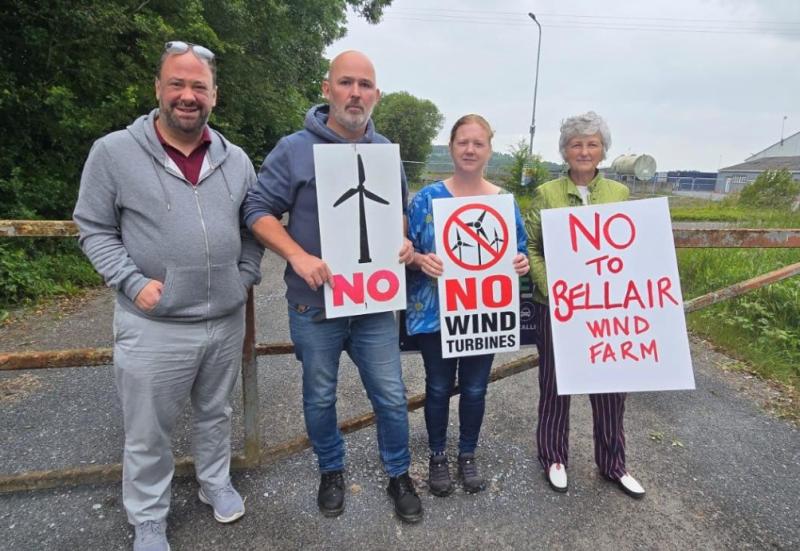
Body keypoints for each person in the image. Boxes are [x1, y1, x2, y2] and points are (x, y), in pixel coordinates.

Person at [73, 41, 264, 551]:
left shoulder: (237, 159)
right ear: (158, 89)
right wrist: (133, 283)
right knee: (147, 429)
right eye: (177, 84)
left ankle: (214, 482)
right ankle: (149, 516)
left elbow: (253, 226)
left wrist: (245, 274)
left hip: (224, 320)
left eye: (198, 86)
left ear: (214, 97)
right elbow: (92, 227)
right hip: (153, 322)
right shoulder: (114, 152)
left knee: (216, 412)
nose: (187, 95)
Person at [243, 50, 422, 523]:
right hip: (314, 306)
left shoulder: (386, 152)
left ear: (376, 95)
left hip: (375, 303)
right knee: (319, 396)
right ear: (327, 90)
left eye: (365, 85)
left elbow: (399, 213)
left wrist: (402, 241)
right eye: (346, 83)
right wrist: (297, 256)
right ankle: (331, 469)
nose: (355, 93)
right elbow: (256, 210)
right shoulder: (294, 149)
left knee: (389, 394)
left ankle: (398, 474)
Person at [405, 114, 530, 496]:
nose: (470, 149)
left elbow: (519, 250)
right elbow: (405, 247)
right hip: (436, 314)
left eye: (478, 143)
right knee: (438, 387)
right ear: (451, 147)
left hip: (484, 315)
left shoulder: (503, 204)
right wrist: (418, 260)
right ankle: (438, 457)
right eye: (463, 142)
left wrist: (520, 264)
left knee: (476, 389)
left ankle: (468, 454)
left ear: (490, 149)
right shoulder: (427, 198)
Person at [525, 111, 645, 498]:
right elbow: (530, 246)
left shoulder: (620, 195)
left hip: (605, 308)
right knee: (556, 383)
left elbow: (632, 249)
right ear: (565, 150)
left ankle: (613, 463)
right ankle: (554, 457)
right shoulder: (546, 194)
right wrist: (552, 286)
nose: (584, 151)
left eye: (592, 143)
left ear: (603, 150)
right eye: (576, 144)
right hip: (556, 306)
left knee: (611, 386)